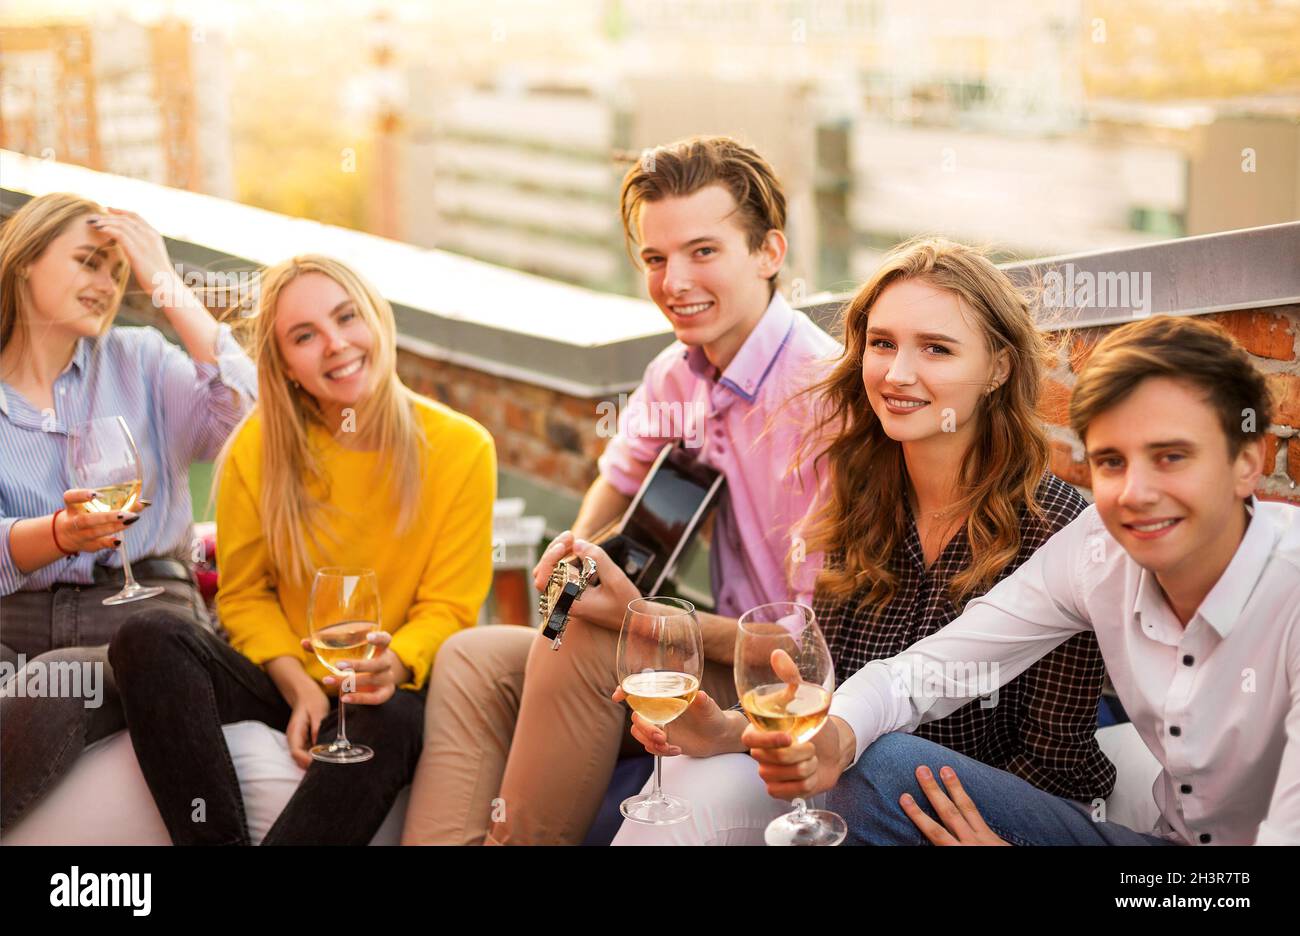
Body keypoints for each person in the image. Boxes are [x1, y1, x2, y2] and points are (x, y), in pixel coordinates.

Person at [402, 136, 840, 845]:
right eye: (655, 258)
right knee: (473, 656)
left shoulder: (823, 397)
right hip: (712, 648)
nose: (675, 281)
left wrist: (630, 615)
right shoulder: (677, 373)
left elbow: (802, 642)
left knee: (582, 635)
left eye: (703, 252)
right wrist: (574, 560)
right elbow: (616, 483)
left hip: (792, 675)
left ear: (769, 253)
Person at [613, 237, 1114, 845]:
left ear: (998, 368)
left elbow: (1054, 765)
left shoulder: (1056, 525)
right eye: (882, 343)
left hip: (981, 815)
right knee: (691, 788)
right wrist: (723, 731)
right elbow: (830, 696)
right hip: (848, 778)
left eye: (936, 348)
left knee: (865, 781)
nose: (897, 374)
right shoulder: (862, 499)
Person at [748, 314, 1298, 846]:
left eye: (1172, 457)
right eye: (1111, 462)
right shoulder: (1098, 552)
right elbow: (925, 672)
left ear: (1248, 461)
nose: (1135, 493)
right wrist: (836, 735)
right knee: (877, 770)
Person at [107, 255, 496, 845]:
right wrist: (300, 687)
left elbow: (449, 607)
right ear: (285, 364)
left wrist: (391, 665)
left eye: (347, 318)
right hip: (285, 679)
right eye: (305, 336)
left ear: (377, 320)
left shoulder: (462, 448)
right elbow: (244, 596)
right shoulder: (256, 449)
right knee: (147, 636)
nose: (336, 345)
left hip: (388, 690)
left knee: (387, 718)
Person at [0, 193, 255, 832]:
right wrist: (59, 534)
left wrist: (164, 282)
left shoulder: (141, 360)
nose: (106, 285)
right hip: (13, 622)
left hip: (140, 611)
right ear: (25, 262)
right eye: (88, 262)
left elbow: (248, 422)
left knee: (57, 685)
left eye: (118, 274)